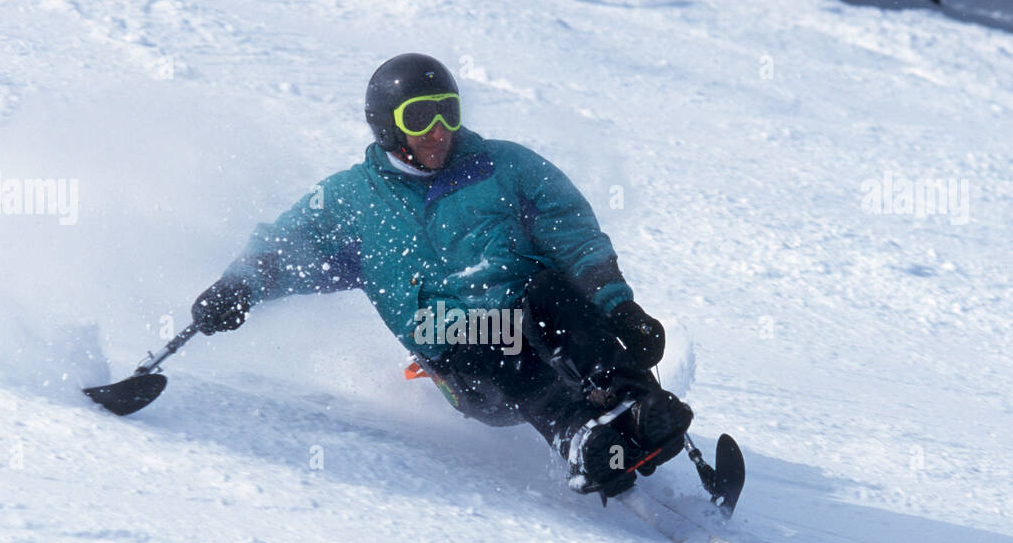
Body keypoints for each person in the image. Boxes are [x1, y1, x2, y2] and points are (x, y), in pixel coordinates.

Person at [191, 53, 692, 498]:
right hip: (467, 365)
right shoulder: (353, 201)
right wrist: (237, 287)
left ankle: (637, 406)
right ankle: (578, 434)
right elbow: (286, 249)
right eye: (420, 116)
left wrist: (619, 307)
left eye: (447, 111)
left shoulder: (506, 167)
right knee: (466, 329)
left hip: (539, 322)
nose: (438, 130)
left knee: (548, 290)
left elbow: (575, 239)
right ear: (387, 126)